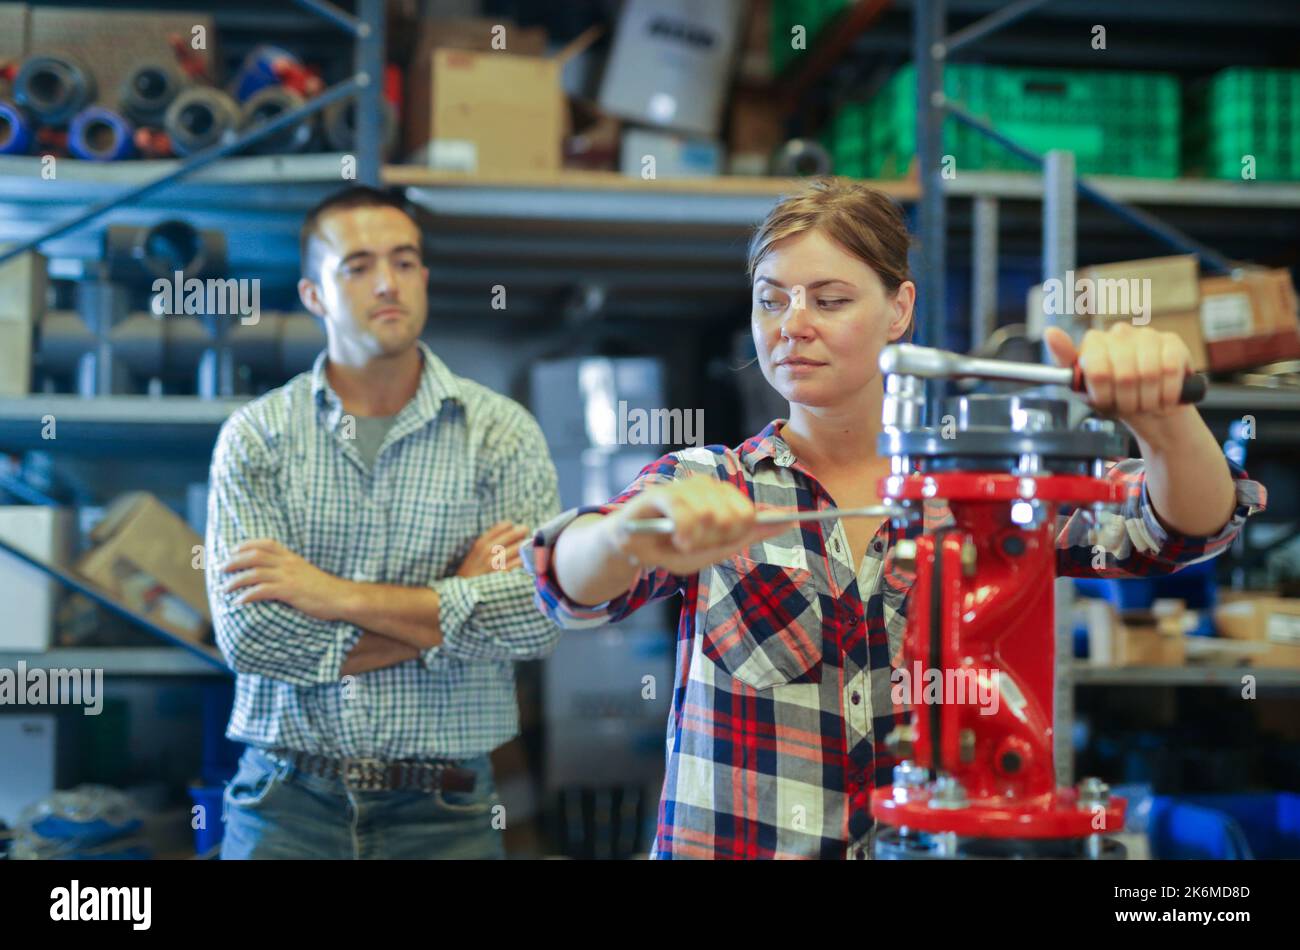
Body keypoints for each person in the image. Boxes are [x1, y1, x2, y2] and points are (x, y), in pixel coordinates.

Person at [523, 178, 1266, 860]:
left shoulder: (987, 493)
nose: (794, 325)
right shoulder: (707, 483)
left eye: (830, 299)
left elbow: (1180, 528)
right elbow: (569, 583)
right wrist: (625, 533)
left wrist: (1165, 421)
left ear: (899, 310)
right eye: (771, 298)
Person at [206, 186, 561, 859]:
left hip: (446, 813)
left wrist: (326, 594)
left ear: (424, 278)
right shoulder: (257, 438)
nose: (387, 283)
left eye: (404, 262)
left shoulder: (502, 435)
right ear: (314, 295)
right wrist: (455, 600)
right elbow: (252, 637)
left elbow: (534, 618)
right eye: (358, 266)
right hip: (287, 804)